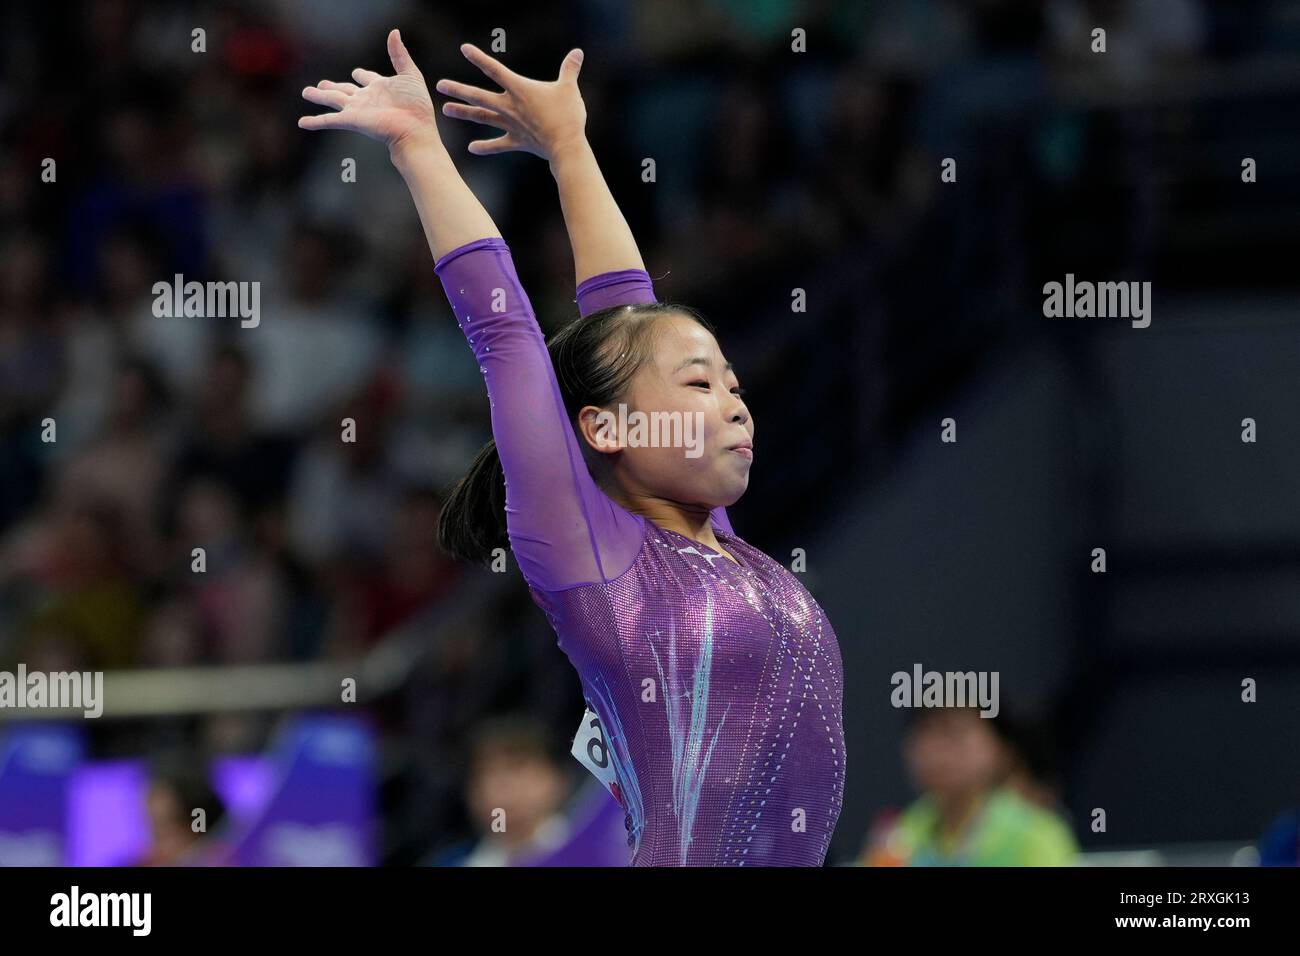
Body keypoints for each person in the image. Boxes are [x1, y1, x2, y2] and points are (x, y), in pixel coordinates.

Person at [299, 30, 845, 866]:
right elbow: (506, 333)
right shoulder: (595, 558)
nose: (735, 402)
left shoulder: (722, 549)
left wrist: (569, 149)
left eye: (732, 384)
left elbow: (624, 320)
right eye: (700, 385)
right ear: (606, 429)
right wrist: (418, 148)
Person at [860, 706, 1077, 866]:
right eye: (925, 731)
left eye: (955, 733)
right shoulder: (895, 836)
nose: (937, 749)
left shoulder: (1038, 834)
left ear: (1001, 749)